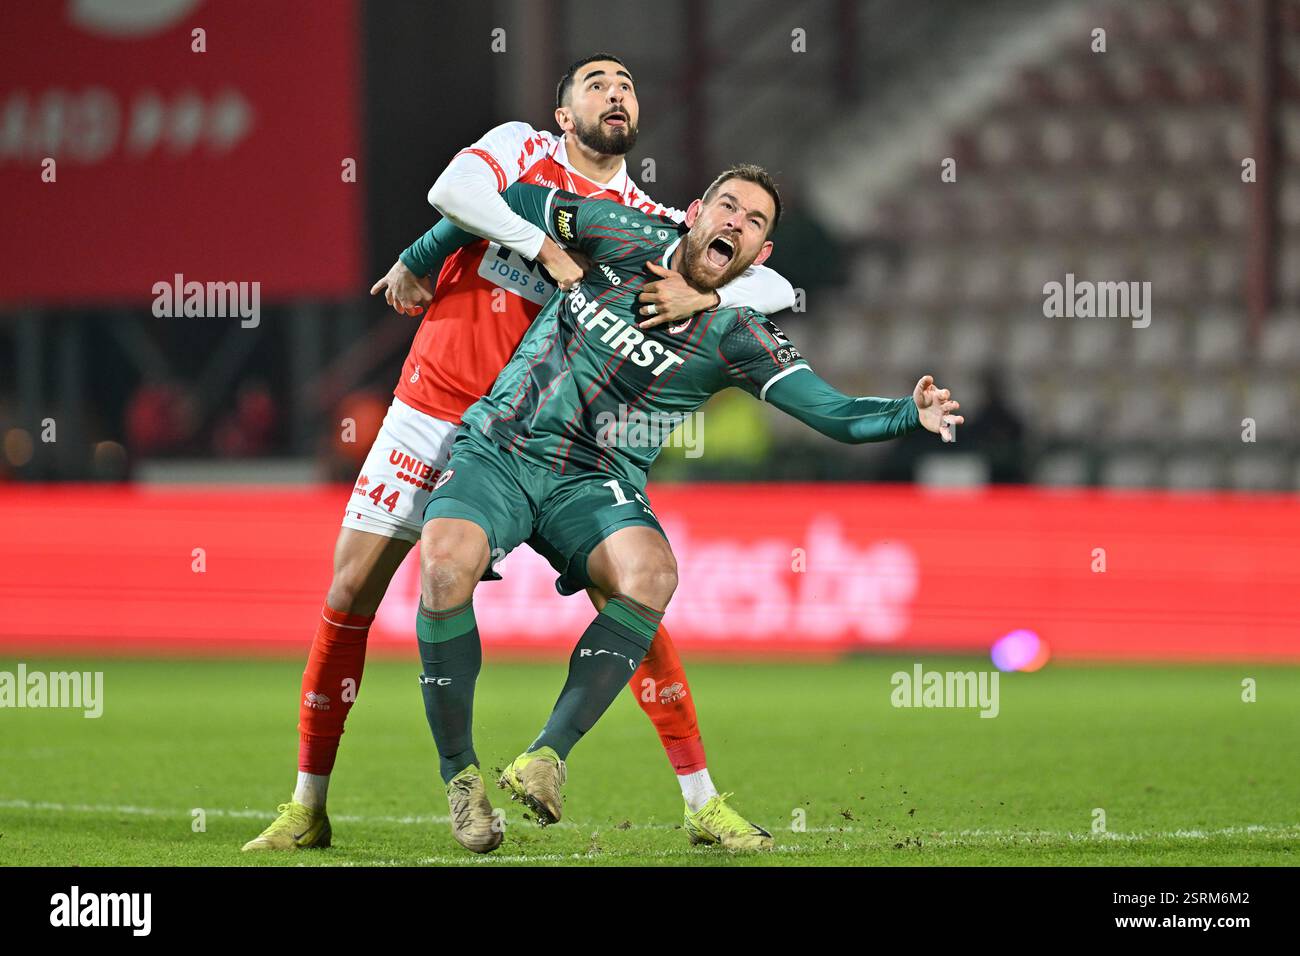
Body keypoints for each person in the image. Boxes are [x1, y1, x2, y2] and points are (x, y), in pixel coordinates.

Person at [243, 54, 793, 854]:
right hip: (430, 410)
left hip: (546, 436)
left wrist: (703, 293)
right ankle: (306, 807)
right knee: (350, 594)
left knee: (632, 603)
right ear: (563, 113)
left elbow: (769, 289)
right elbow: (456, 197)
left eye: (628, 85)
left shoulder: (642, 217)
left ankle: (702, 802)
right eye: (597, 82)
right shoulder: (518, 150)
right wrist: (508, 247)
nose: (616, 92)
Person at [412, 164, 963, 852]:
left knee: (653, 575)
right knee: (441, 570)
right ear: (696, 211)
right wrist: (447, 257)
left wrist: (906, 414)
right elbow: (509, 198)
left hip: (594, 478)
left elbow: (837, 415)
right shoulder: (618, 232)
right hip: (503, 445)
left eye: (754, 221)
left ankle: (546, 756)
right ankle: (462, 779)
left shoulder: (738, 335)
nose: (735, 221)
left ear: (758, 255)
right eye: (728, 206)